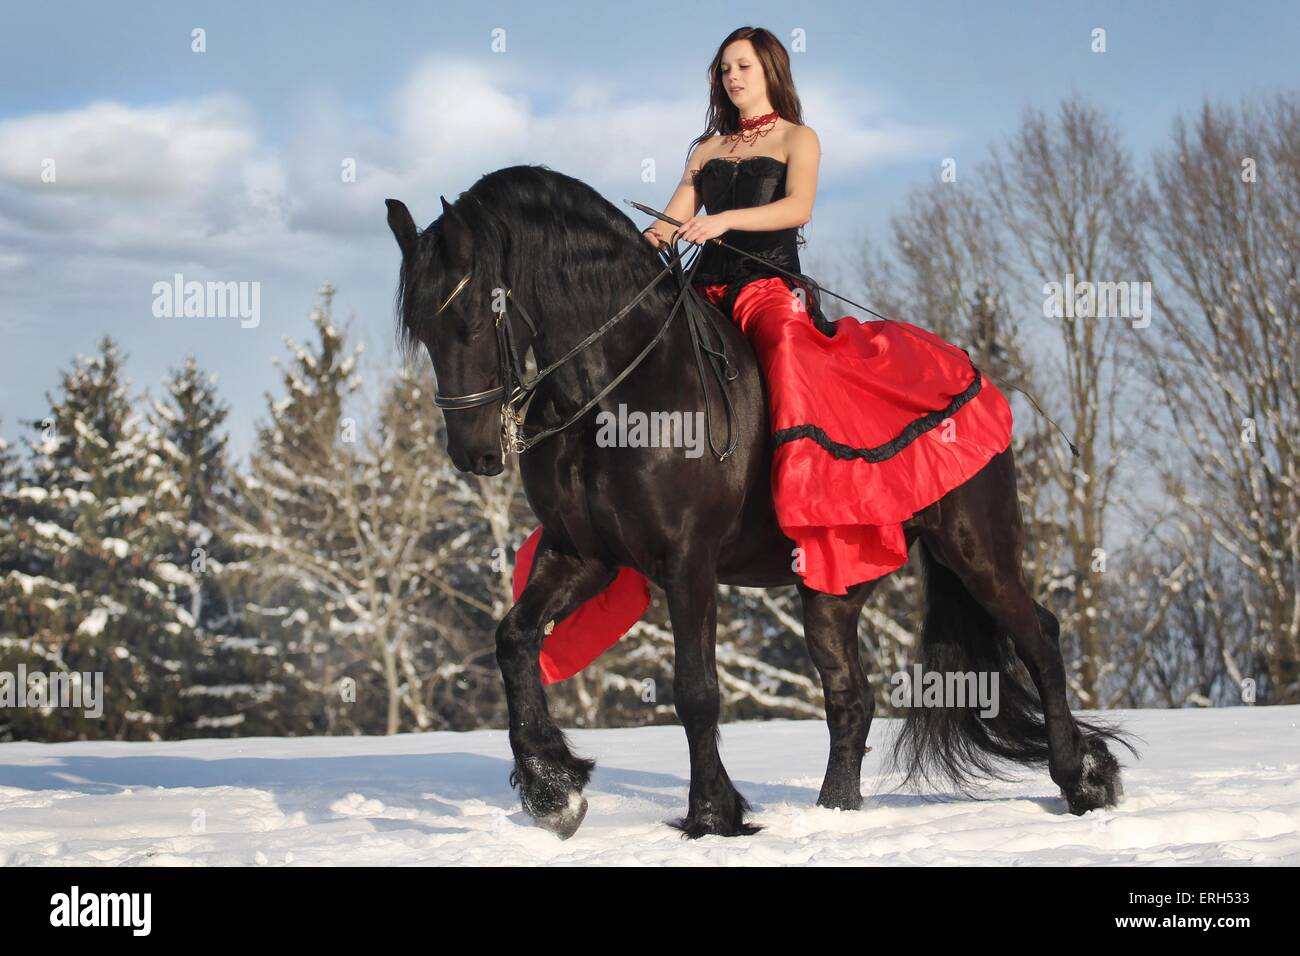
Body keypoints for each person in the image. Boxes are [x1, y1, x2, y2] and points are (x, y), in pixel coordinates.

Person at [517, 26, 1012, 683]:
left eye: (743, 66)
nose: (732, 77)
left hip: (767, 290)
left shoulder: (797, 139)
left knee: (785, 354)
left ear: (771, 70)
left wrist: (723, 221)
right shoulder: (705, 148)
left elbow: (797, 208)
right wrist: (616, 255)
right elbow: (667, 226)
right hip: (702, 294)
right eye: (724, 68)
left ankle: (806, 499)